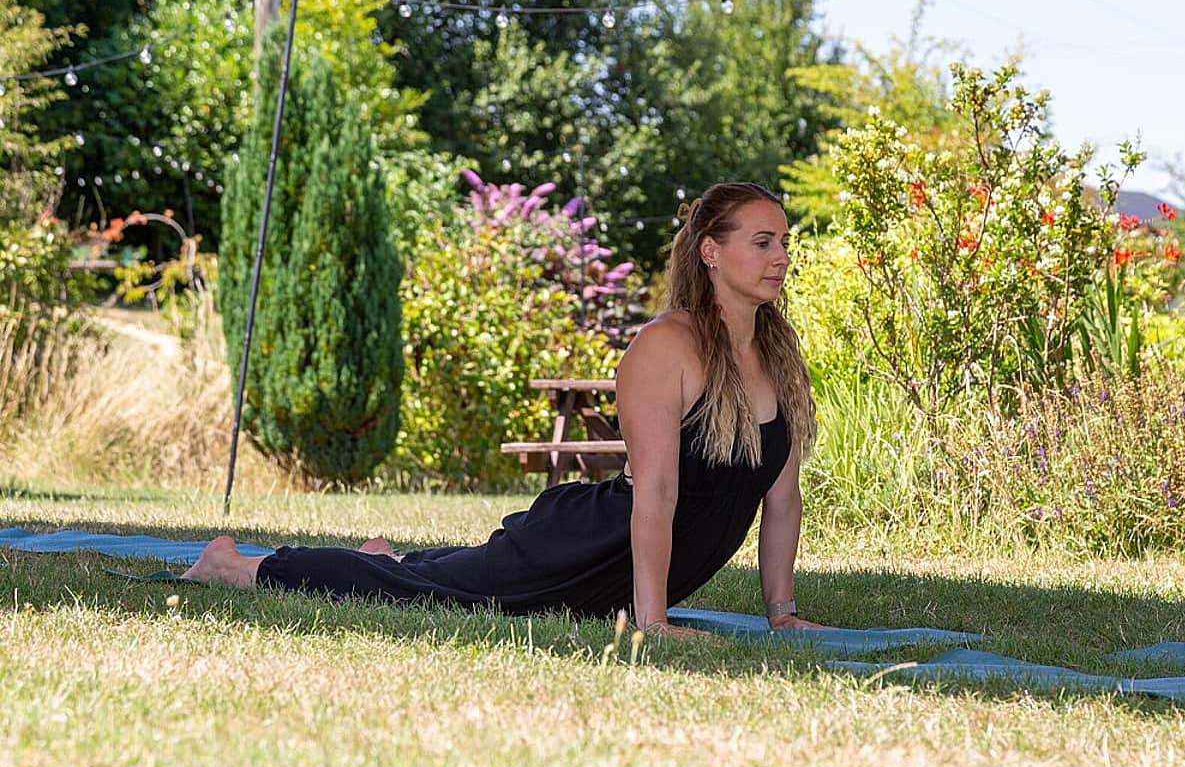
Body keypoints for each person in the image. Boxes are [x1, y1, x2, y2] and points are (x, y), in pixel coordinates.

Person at [183, 181, 828, 639]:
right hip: (581, 546)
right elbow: (655, 493)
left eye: (783, 243)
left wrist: (782, 611)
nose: (781, 257)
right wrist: (653, 623)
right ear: (711, 252)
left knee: (454, 582)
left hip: (624, 574)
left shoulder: (775, 353)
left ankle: (386, 555)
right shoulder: (667, 346)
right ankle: (236, 566)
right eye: (763, 242)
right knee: (431, 599)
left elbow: (782, 497)